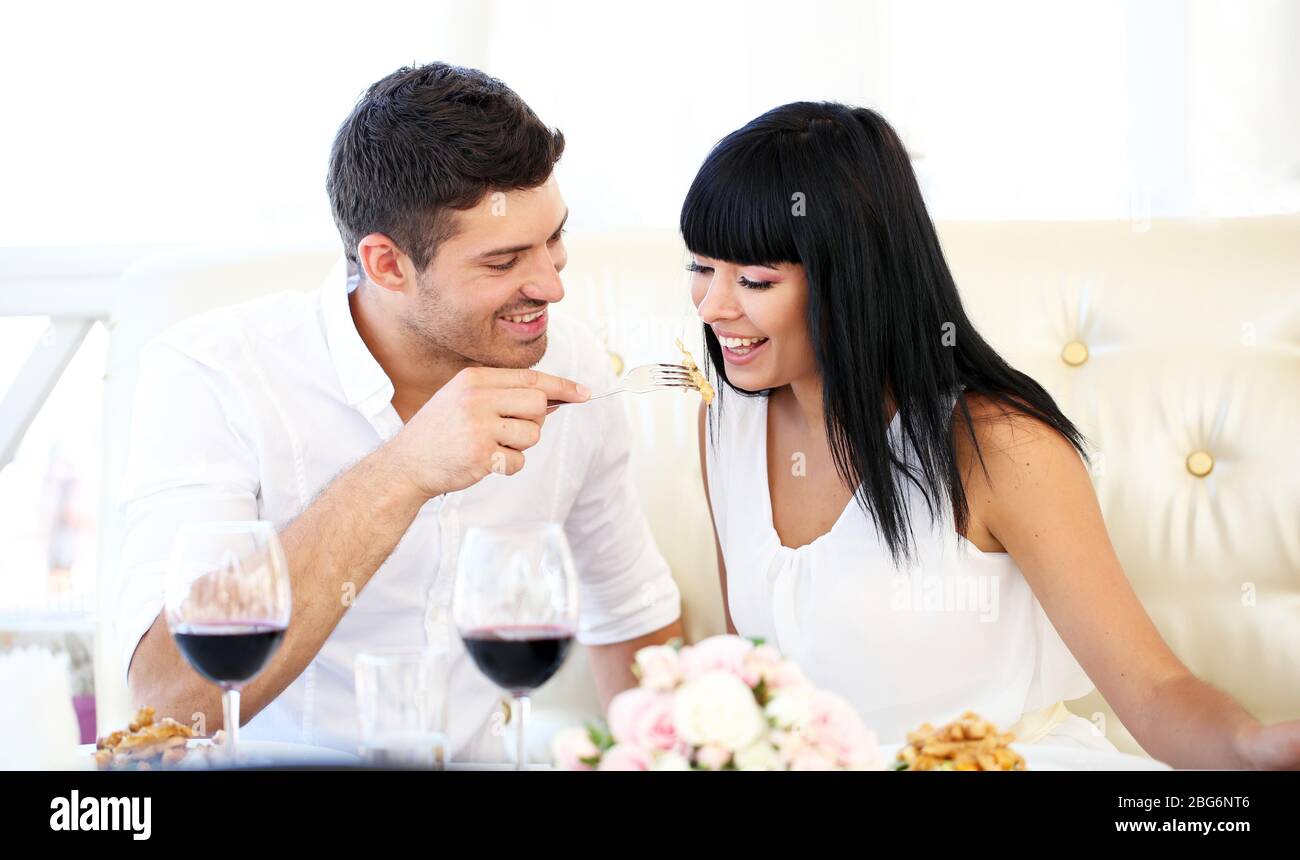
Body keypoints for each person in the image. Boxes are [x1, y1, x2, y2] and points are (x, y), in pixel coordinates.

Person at [684, 100, 1300, 768]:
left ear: (852, 277)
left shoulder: (1001, 447)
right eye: (699, 267)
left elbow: (1154, 690)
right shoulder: (724, 422)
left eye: (752, 279)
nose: (712, 307)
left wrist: (1253, 747)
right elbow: (757, 688)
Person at [118, 63, 683, 761]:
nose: (550, 284)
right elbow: (169, 701)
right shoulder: (213, 374)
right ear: (386, 265)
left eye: (554, 240)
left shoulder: (574, 364)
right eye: (504, 260)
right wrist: (403, 472)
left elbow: (630, 620)